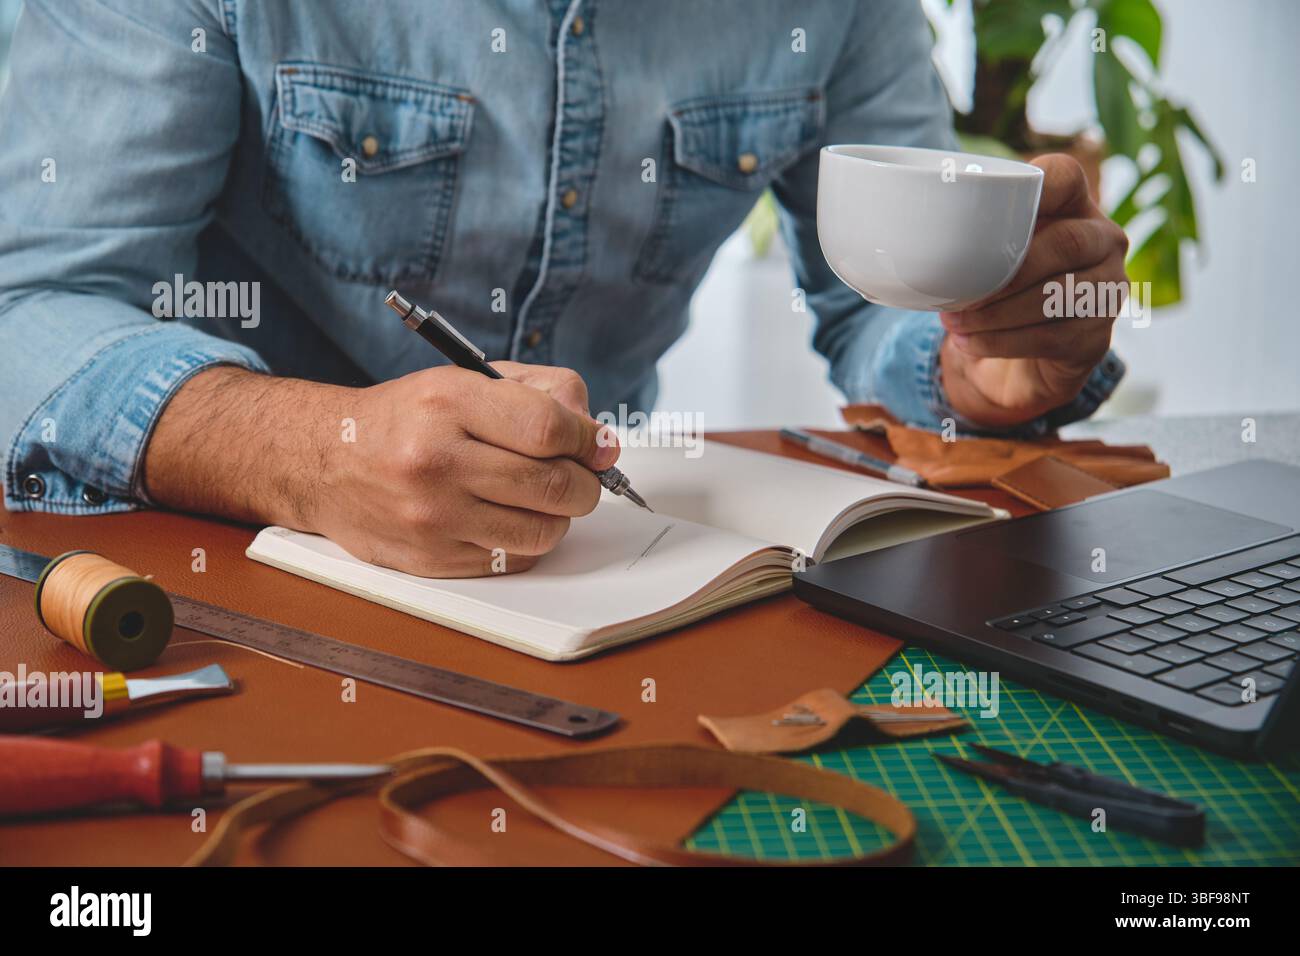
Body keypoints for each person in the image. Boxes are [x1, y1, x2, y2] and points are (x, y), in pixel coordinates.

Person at [0, 0, 1128, 577]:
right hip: (210, 591)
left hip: (595, 576)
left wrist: (968, 368)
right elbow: (30, 306)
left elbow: (873, 301)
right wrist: (309, 451)